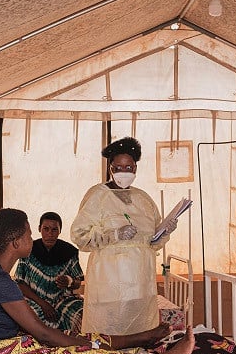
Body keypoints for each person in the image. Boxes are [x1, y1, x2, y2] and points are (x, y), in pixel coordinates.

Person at [0, 208, 194, 354]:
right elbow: (41, 332)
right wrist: (80, 345)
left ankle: (139, 338)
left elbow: (37, 328)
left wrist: (78, 340)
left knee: (73, 337)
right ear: (16, 243)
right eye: (30, 233)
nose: (34, 238)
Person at [71, 136, 176, 335]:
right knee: (109, 336)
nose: (124, 172)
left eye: (129, 167)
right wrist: (114, 235)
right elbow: (80, 235)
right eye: (118, 167)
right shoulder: (97, 195)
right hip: (110, 285)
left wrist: (165, 231)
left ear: (135, 168)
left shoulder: (143, 199)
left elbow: (150, 243)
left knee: (140, 333)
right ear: (111, 168)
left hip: (141, 284)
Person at [15, 212, 84, 332]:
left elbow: (78, 282)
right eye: (46, 229)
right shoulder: (28, 250)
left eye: (54, 230)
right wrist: (43, 304)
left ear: (60, 231)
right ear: (39, 229)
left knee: (80, 315)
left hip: (62, 301)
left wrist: (69, 281)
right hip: (34, 300)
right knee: (29, 318)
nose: (50, 234)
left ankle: (75, 344)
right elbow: (19, 283)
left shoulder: (69, 251)